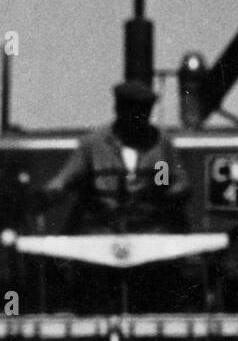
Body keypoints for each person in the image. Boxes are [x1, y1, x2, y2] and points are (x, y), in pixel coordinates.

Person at [37, 78, 190, 233]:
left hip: (151, 231)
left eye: (145, 110)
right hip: (101, 231)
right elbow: (64, 180)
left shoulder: (159, 144)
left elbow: (176, 182)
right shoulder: (93, 145)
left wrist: (165, 191)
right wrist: (46, 195)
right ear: (119, 108)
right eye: (135, 110)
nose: (141, 116)